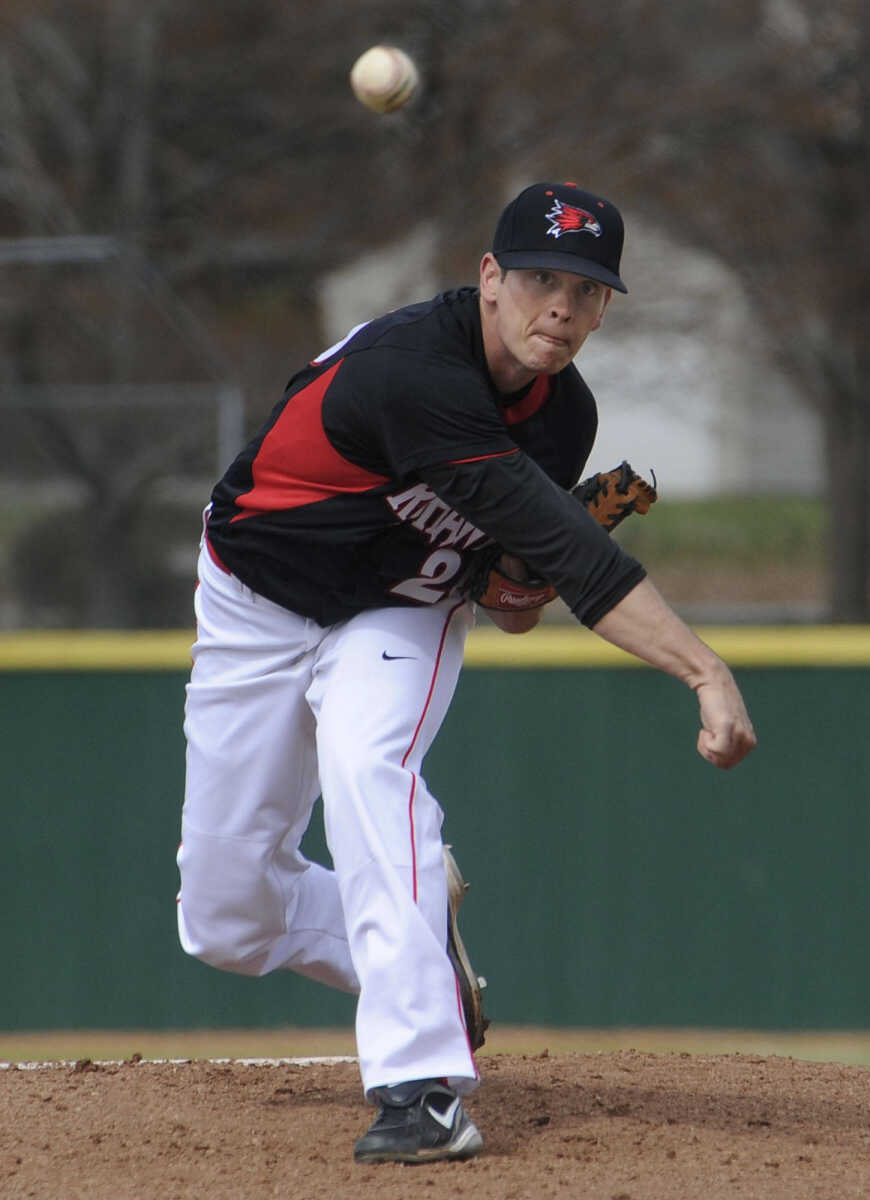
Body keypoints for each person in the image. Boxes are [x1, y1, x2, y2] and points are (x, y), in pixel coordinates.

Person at [176, 180, 757, 1165]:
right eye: (539, 280)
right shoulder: (414, 369)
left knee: (371, 774)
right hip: (255, 598)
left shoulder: (562, 416)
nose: (560, 308)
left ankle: (420, 1090)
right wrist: (702, 668)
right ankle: (422, 947)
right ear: (489, 277)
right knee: (227, 920)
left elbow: (508, 595)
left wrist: (516, 581)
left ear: (605, 309)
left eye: (586, 291)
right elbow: (577, 559)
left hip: (396, 613)